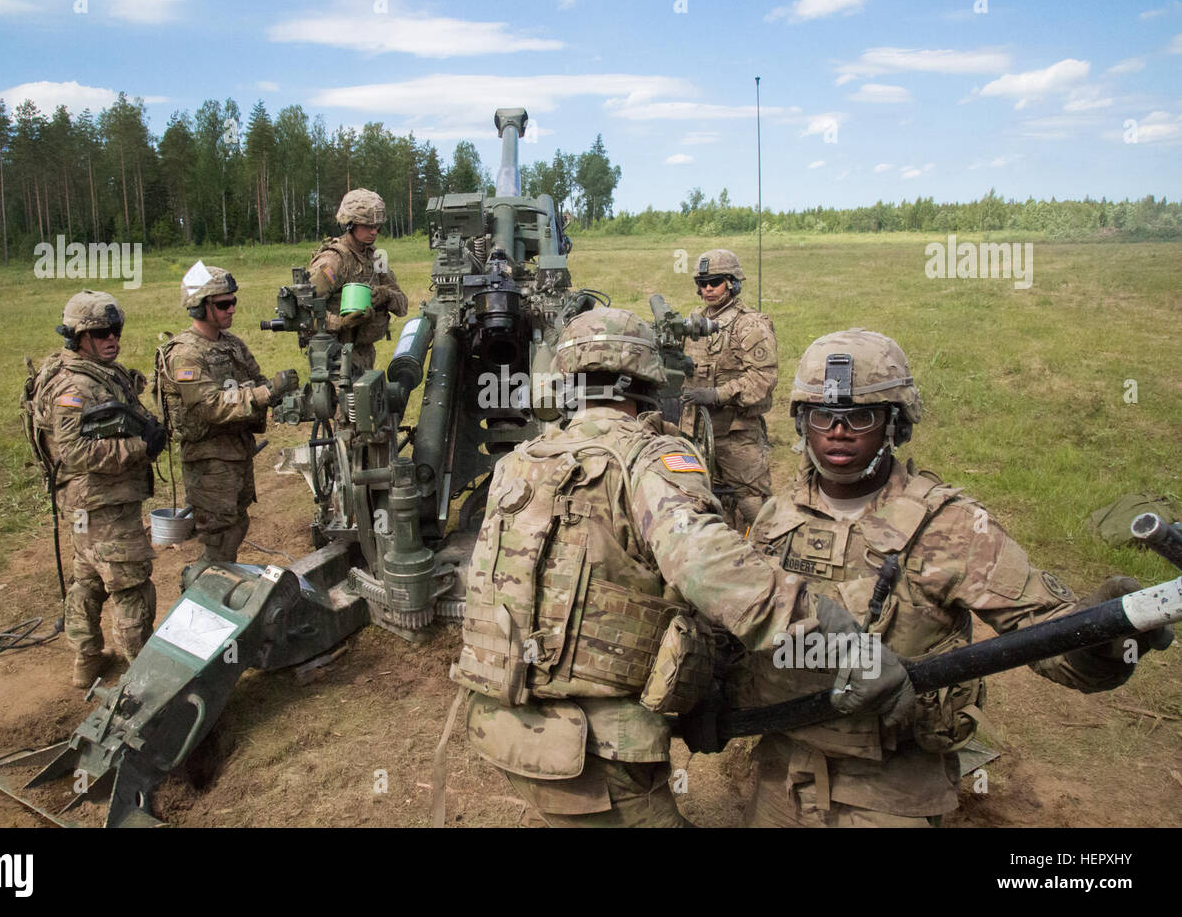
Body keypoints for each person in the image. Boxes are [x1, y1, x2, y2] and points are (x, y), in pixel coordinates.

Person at [450, 308, 915, 827]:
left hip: (499, 722)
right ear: (649, 381)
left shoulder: (520, 461)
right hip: (589, 746)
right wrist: (839, 638)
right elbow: (708, 564)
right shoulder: (648, 458)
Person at [731, 328, 1174, 827]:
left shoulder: (952, 527)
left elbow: (1050, 640)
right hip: (781, 769)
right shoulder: (776, 517)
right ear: (802, 424)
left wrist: (1105, 635)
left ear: (894, 425)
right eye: (822, 416)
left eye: (861, 416)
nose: (838, 431)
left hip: (891, 790)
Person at [31, 290, 166, 688]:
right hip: (102, 503)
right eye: (100, 332)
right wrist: (141, 447)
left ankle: (86, 660)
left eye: (115, 329)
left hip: (88, 504)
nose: (112, 338)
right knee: (130, 588)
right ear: (77, 337)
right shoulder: (74, 386)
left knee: (88, 581)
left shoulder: (91, 371)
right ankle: (147, 678)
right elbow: (74, 451)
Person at [157, 262, 299, 564]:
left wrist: (283, 396)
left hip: (236, 454)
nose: (232, 308)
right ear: (199, 307)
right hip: (209, 462)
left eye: (233, 301)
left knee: (236, 526)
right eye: (223, 304)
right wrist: (267, 393)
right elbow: (211, 405)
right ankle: (203, 592)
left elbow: (258, 382)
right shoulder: (185, 354)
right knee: (218, 539)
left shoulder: (232, 345)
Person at [679, 249, 777, 532]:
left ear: (732, 283)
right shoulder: (693, 321)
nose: (708, 289)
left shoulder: (750, 324)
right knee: (699, 504)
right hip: (696, 434)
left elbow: (763, 377)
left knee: (753, 507)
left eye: (716, 281)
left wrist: (718, 395)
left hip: (736, 433)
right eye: (702, 283)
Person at [307, 188, 408, 373]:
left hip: (365, 354)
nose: (374, 232)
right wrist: (340, 323)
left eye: (377, 226)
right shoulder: (333, 261)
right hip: (335, 358)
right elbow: (302, 315)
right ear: (349, 224)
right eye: (368, 226)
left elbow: (403, 307)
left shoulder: (376, 258)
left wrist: (386, 295)